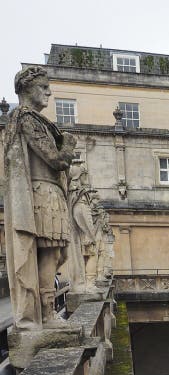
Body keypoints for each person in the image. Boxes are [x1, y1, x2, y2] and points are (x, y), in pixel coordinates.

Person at [4, 66, 77, 328]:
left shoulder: (36, 121)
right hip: (41, 193)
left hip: (50, 194)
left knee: (56, 255)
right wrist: (67, 144)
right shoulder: (27, 119)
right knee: (49, 255)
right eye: (44, 87)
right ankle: (46, 315)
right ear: (27, 88)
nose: (49, 92)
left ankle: (47, 313)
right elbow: (56, 160)